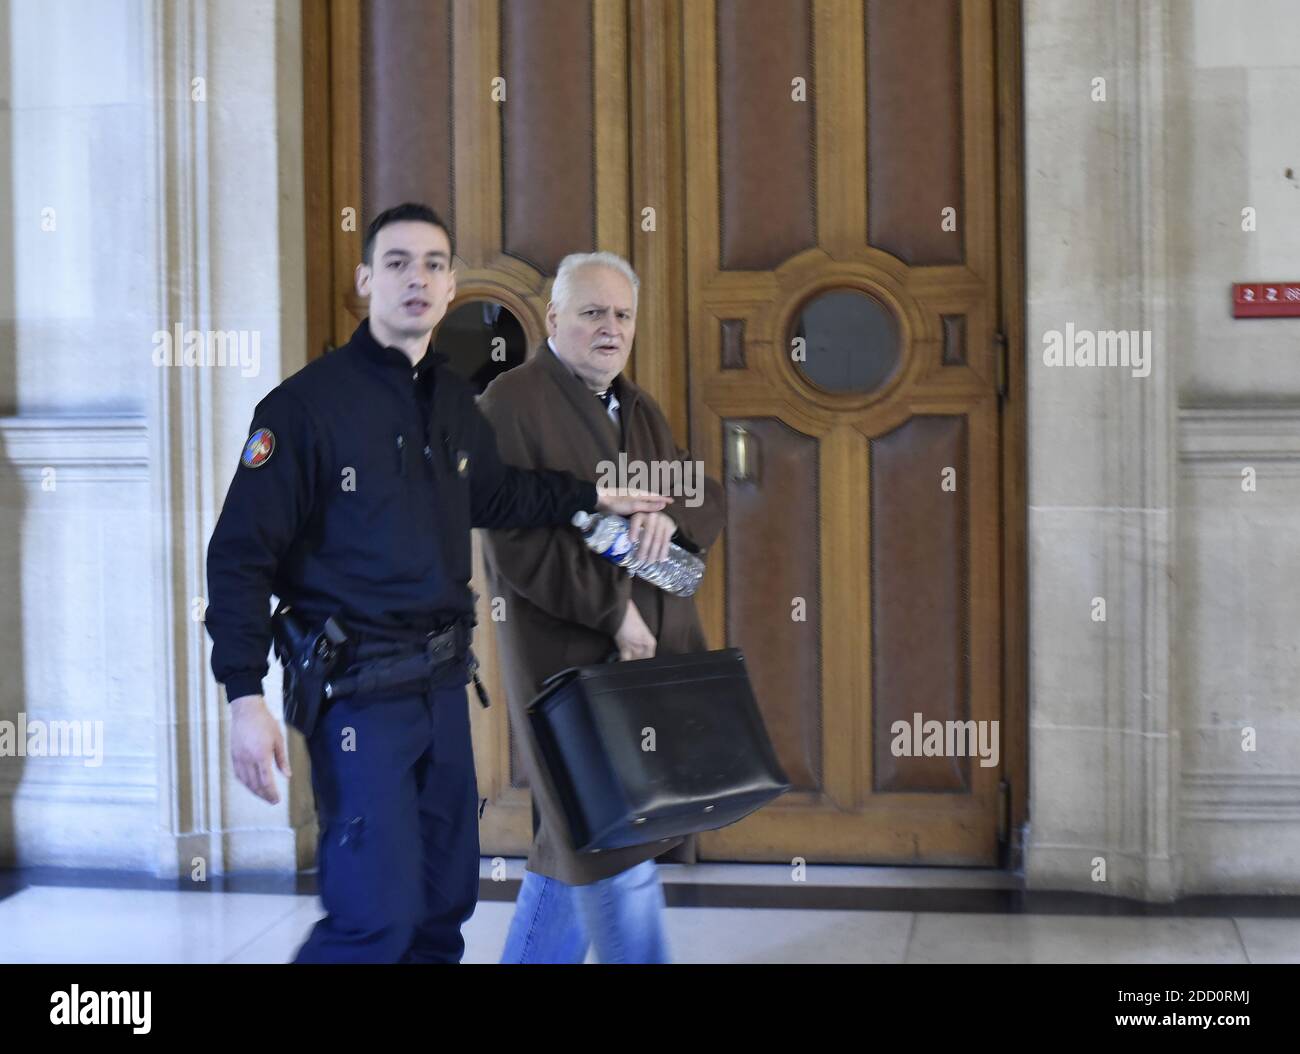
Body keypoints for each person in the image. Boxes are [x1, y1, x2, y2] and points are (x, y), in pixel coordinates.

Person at [204, 205, 670, 964]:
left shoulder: (451, 399)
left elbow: (497, 496)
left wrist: (592, 497)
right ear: (365, 281)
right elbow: (238, 559)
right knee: (371, 921)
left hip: (442, 689)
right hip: (356, 695)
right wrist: (242, 696)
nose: (415, 279)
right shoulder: (303, 408)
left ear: (451, 285)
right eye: (396, 263)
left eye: (432, 264)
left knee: (439, 912)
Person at [480, 251, 724, 963]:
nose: (610, 329)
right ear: (554, 319)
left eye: (622, 315)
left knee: (581, 842)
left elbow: (700, 490)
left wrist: (665, 518)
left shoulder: (636, 405)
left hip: (646, 662)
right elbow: (518, 543)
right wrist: (614, 611)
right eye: (592, 313)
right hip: (570, 660)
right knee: (611, 843)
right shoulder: (511, 403)